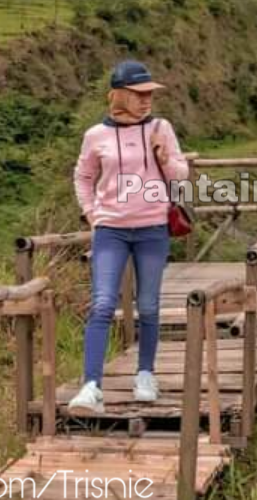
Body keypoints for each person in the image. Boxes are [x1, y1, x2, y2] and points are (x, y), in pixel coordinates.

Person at [67, 60, 189, 413]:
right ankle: (91, 386)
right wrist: (92, 215)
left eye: (149, 93)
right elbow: (83, 176)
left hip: (153, 228)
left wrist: (165, 158)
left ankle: (146, 374)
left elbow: (182, 176)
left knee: (148, 305)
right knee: (103, 303)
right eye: (139, 94)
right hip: (111, 231)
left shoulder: (161, 128)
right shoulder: (96, 136)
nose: (146, 99)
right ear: (119, 95)